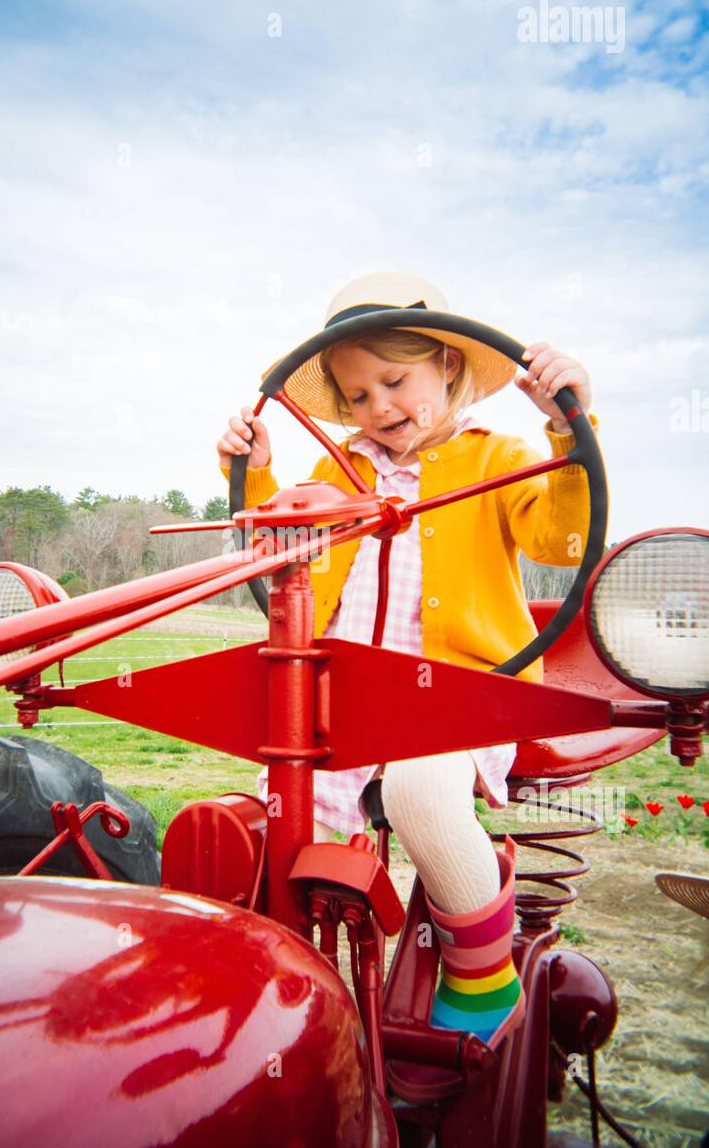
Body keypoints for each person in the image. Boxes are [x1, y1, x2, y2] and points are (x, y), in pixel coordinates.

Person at [216, 271, 598, 1049]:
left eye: (395, 381)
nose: (378, 407)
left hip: (456, 700)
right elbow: (276, 545)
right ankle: (289, 988)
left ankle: (482, 976)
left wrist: (570, 428)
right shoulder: (335, 473)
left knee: (423, 790)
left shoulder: (499, 457)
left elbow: (562, 540)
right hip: (344, 697)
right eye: (357, 396)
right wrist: (253, 472)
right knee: (275, 820)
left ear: (449, 369)